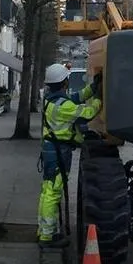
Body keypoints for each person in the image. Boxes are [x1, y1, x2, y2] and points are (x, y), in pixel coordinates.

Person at [36, 63, 103, 248]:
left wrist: (92, 87)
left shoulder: (52, 100)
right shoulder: (63, 106)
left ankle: (43, 231)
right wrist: (98, 98)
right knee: (53, 192)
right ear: (64, 82)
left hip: (51, 149)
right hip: (58, 151)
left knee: (47, 191)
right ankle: (47, 238)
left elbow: (75, 98)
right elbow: (87, 113)